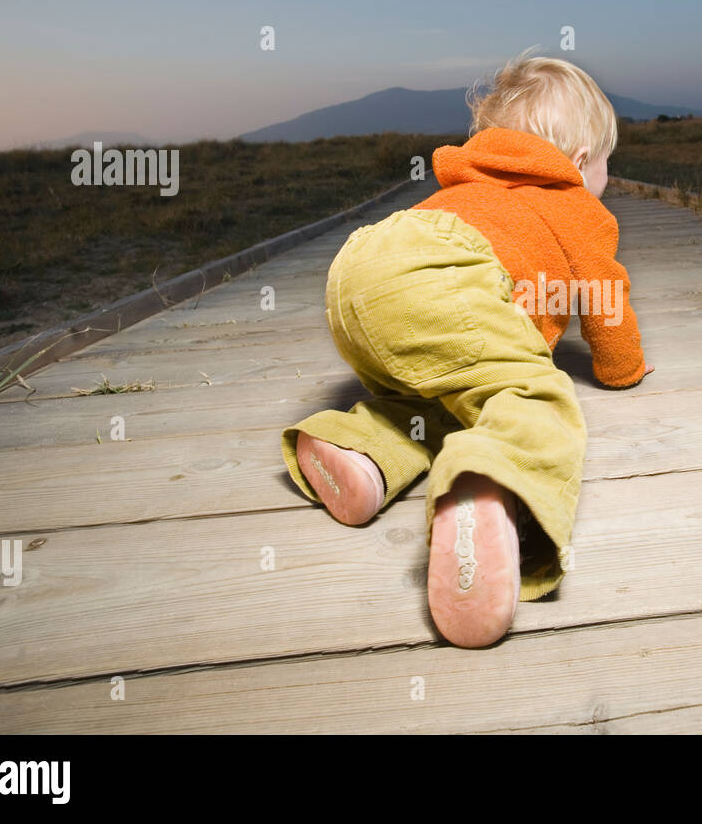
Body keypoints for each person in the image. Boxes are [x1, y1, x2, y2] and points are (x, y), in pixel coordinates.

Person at [280, 48, 653, 647]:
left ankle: (360, 451)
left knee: (444, 392)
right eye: (607, 163)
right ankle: (485, 486)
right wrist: (622, 367)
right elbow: (607, 301)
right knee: (529, 397)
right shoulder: (575, 201)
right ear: (581, 161)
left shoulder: (469, 181)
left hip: (358, 273)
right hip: (445, 274)